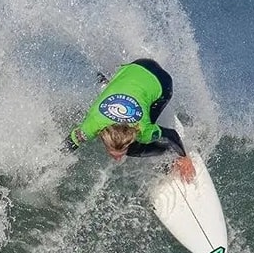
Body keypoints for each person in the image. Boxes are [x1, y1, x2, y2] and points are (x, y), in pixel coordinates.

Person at [65, 58, 196, 182]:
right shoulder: (90, 126)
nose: (117, 159)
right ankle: (105, 83)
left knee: (134, 149)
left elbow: (171, 135)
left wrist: (184, 156)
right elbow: (69, 143)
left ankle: (166, 158)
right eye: (116, 154)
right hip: (136, 66)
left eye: (119, 154)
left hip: (162, 81)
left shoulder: (143, 131)